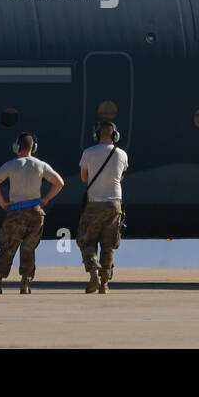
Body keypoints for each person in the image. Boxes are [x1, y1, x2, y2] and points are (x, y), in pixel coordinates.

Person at [0, 132, 64, 294]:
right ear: (33, 147)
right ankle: (25, 283)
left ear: (17, 147)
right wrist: (47, 199)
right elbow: (59, 183)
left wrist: (3, 203)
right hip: (36, 212)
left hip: (16, 211)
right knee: (29, 248)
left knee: (8, 247)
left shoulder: (11, 165)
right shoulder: (41, 165)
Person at [77, 120, 128, 294]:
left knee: (87, 241)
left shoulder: (88, 152)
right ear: (115, 135)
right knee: (108, 244)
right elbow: (121, 175)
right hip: (114, 203)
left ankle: (93, 275)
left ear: (97, 134)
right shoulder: (122, 154)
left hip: (93, 203)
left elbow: (84, 177)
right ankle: (105, 283)